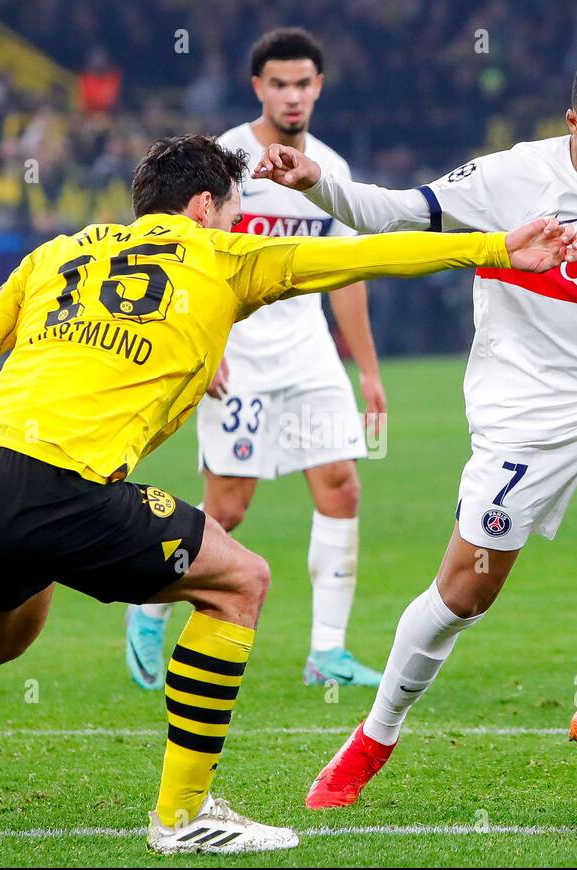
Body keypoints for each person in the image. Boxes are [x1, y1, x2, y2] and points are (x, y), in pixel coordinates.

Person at [0, 134, 577, 854]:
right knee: (240, 582)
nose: (231, 224)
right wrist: (496, 248)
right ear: (202, 205)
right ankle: (184, 813)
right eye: (228, 211)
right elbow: (365, 255)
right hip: (59, 481)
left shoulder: (60, 254)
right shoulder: (224, 256)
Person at [253, 54, 577, 808]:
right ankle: (372, 738)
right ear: (573, 123)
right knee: (465, 594)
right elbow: (391, 212)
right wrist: (317, 184)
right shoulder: (512, 178)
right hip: (527, 418)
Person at [125, 29, 388, 690]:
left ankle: (327, 650)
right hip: (237, 352)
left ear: (318, 87)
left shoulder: (329, 170)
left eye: (303, 83)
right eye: (279, 84)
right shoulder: (225, 162)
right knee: (231, 508)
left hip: (308, 353)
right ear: (258, 89)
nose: (292, 95)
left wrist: (368, 369)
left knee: (341, 486)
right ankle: (150, 603)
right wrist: (201, 344)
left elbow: (346, 274)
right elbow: (181, 256)